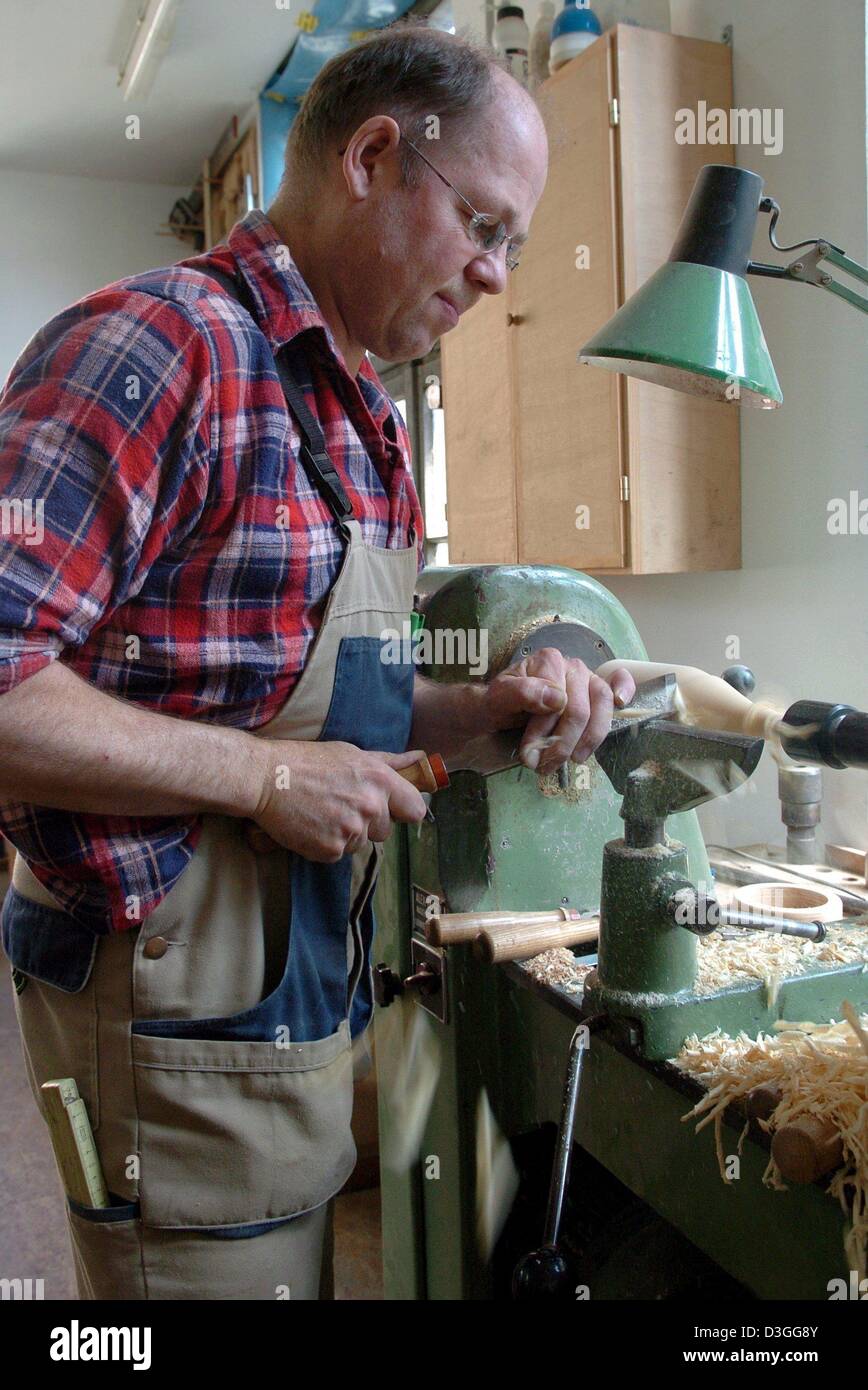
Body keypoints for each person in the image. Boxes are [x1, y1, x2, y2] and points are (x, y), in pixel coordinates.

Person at [0, 24, 634, 1300]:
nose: (500, 274)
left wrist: (481, 710)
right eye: (485, 225)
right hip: (160, 1005)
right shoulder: (160, 346)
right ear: (374, 155)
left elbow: (329, 696)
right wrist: (260, 782)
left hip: (291, 984)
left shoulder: (366, 417)